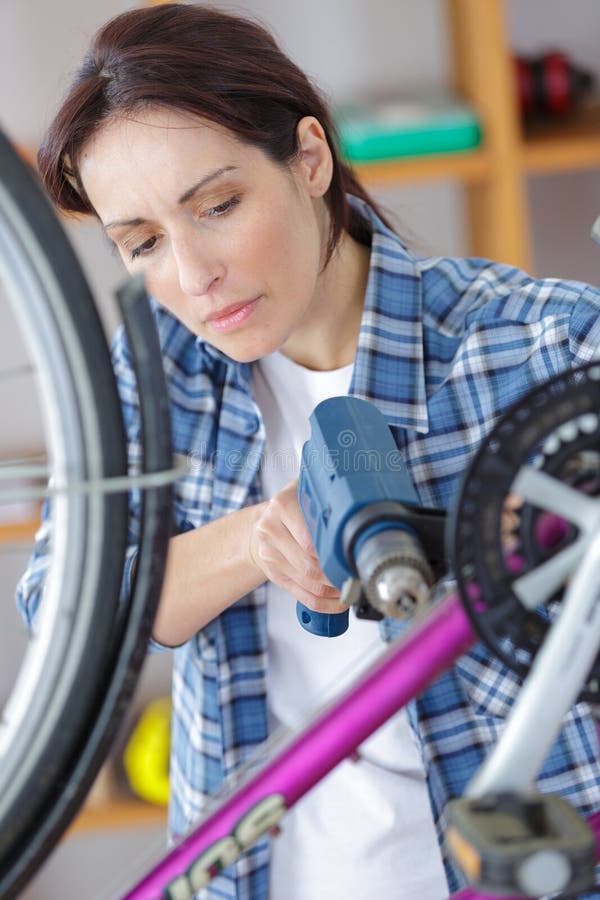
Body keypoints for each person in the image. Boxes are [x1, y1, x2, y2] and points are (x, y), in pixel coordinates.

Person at [17, 4, 600, 898]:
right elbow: (63, 610)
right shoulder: (154, 373)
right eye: (143, 243)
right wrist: (255, 542)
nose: (193, 275)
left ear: (311, 159)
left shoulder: (545, 348)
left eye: (218, 206)